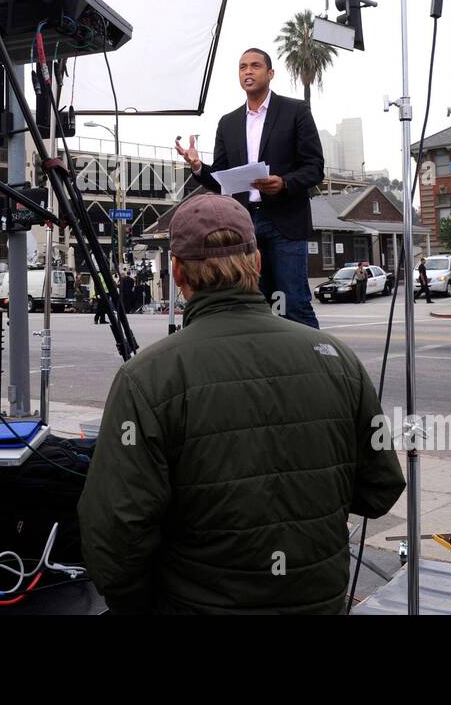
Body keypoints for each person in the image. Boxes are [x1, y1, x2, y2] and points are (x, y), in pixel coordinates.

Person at [79, 194, 406, 614]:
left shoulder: (146, 377)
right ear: (256, 263)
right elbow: (380, 489)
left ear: (177, 271)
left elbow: (114, 534)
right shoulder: (336, 358)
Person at [175, 48, 326, 329]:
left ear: (270, 73)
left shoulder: (295, 112)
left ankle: (315, 365)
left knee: (294, 301)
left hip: (286, 221)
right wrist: (197, 166)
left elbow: (315, 168)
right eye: (242, 66)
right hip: (244, 225)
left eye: (255, 65)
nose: (248, 71)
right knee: (253, 303)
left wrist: (283, 183)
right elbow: (220, 179)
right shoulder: (228, 122)